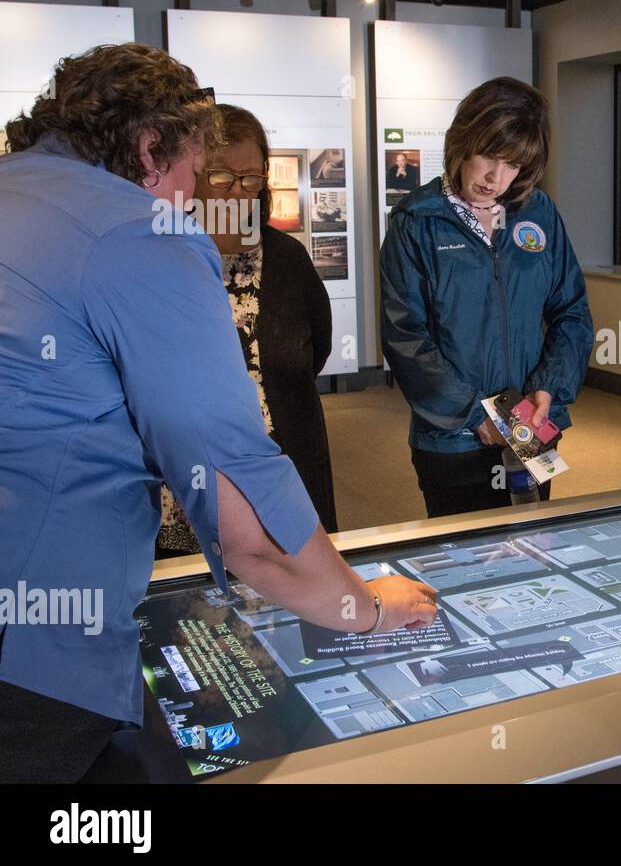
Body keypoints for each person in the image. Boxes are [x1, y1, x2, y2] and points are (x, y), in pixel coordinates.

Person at [0, 43, 437, 782]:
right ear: (149, 148)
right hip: (35, 659)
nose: (193, 197)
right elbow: (244, 519)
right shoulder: (141, 233)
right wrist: (364, 607)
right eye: (195, 175)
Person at [380, 77, 593, 517]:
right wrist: (474, 416)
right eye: (488, 157)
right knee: (464, 565)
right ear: (462, 141)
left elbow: (571, 310)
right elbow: (405, 336)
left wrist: (547, 390)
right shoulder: (416, 222)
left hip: (529, 427)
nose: (496, 178)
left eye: (513, 164)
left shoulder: (539, 213)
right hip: (452, 437)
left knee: (535, 554)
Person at [156, 104, 339, 557]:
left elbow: (313, 350)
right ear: (190, 176)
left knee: (293, 611)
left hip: (284, 476)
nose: (238, 192)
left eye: (251, 178)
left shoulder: (286, 260)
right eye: (221, 177)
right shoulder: (159, 259)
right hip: (187, 485)